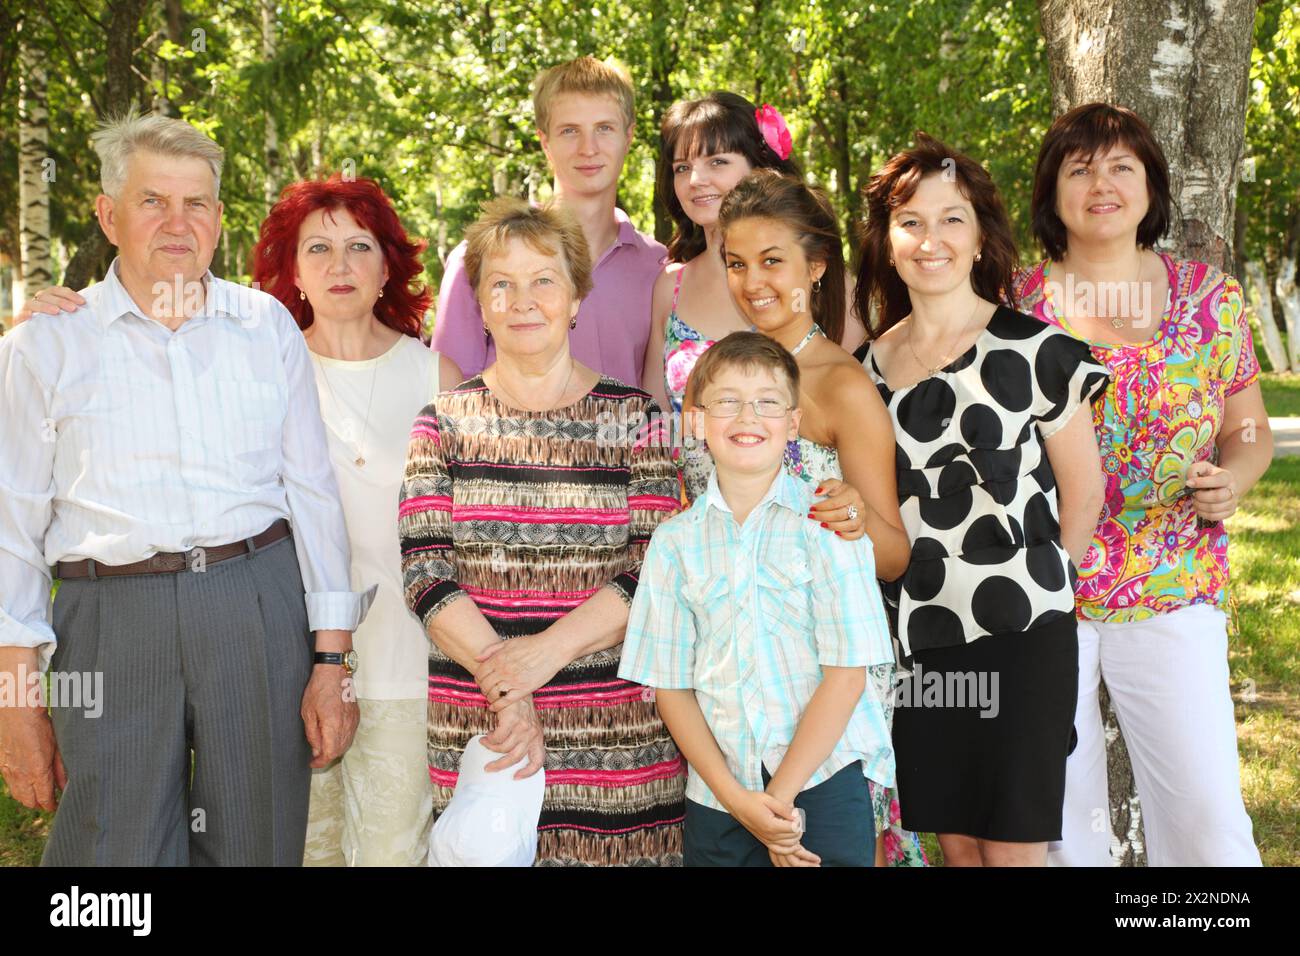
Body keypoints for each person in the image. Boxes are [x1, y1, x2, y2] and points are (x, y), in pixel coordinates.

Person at [0, 111, 368, 865]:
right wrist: (16, 700)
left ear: (219, 217)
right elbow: (12, 528)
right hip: (109, 618)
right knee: (112, 853)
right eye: (151, 201)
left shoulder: (264, 328)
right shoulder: (45, 344)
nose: (177, 222)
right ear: (108, 215)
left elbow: (313, 496)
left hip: (253, 603)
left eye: (195, 202)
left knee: (255, 839)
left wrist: (331, 664)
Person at [1015, 103, 1269, 866]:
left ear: (1151, 188)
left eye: (1121, 165)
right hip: (1045, 586)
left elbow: (1248, 431)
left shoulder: (1210, 298)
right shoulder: (1013, 308)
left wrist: (1232, 480)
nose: (1102, 183)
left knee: (1206, 814)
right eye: (1080, 167)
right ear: (1052, 194)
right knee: (1062, 822)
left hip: (1173, 578)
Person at [398, 197, 685, 865]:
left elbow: (656, 569)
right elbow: (426, 575)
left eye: (544, 280)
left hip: (620, 741)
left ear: (577, 297)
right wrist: (512, 690)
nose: (523, 300)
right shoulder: (440, 423)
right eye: (502, 283)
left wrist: (541, 656)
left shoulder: (637, 419)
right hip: (490, 728)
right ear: (481, 305)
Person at [856, 132, 1109, 866]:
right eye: (911, 221)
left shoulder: (1039, 351)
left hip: (1024, 636)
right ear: (888, 240)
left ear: (979, 237)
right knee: (958, 847)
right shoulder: (865, 370)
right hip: (919, 639)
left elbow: (1084, 491)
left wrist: (1039, 592)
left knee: (1012, 850)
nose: (929, 239)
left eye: (951, 219)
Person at [620, 332, 895, 867]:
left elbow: (847, 675)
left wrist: (779, 800)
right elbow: (671, 688)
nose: (748, 417)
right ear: (696, 421)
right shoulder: (674, 544)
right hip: (720, 798)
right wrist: (738, 800)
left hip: (822, 783)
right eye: (726, 402)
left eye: (767, 402)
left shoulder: (829, 526)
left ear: (792, 423)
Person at [253, 174, 461, 866]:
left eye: (358, 247)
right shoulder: (257, 373)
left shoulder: (438, 377)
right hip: (287, 661)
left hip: (407, 658)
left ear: (387, 270)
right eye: (318, 248)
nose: (339, 266)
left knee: (389, 852)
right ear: (292, 273)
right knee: (299, 850)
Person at [714, 168, 920, 866]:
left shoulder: (842, 386)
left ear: (817, 266)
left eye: (773, 261)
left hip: (824, 679)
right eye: (737, 263)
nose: (754, 281)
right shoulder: (715, 377)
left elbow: (894, 555)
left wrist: (857, 514)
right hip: (732, 671)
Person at [644, 96, 865, 511]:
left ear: (759, 163)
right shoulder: (669, 286)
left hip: (802, 524)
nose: (696, 180)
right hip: (696, 523)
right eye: (682, 168)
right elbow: (656, 424)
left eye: (717, 162)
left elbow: (856, 410)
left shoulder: (819, 281)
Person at [432, 56, 665, 386]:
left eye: (604, 128)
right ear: (545, 142)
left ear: (628, 137)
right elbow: (451, 397)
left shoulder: (658, 268)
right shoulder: (483, 256)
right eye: (570, 131)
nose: (588, 148)